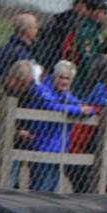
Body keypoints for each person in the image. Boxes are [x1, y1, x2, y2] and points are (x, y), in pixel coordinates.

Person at [24, 59, 95, 192]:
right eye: (61, 77)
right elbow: (52, 106)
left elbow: (88, 108)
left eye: (67, 79)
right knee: (41, 189)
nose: (64, 81)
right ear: (54, 76)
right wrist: (79, 110)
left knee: (53, 191)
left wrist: (84, 109)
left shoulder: (64, 94)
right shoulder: (41, 89)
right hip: (42, 148)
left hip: (60, 150)